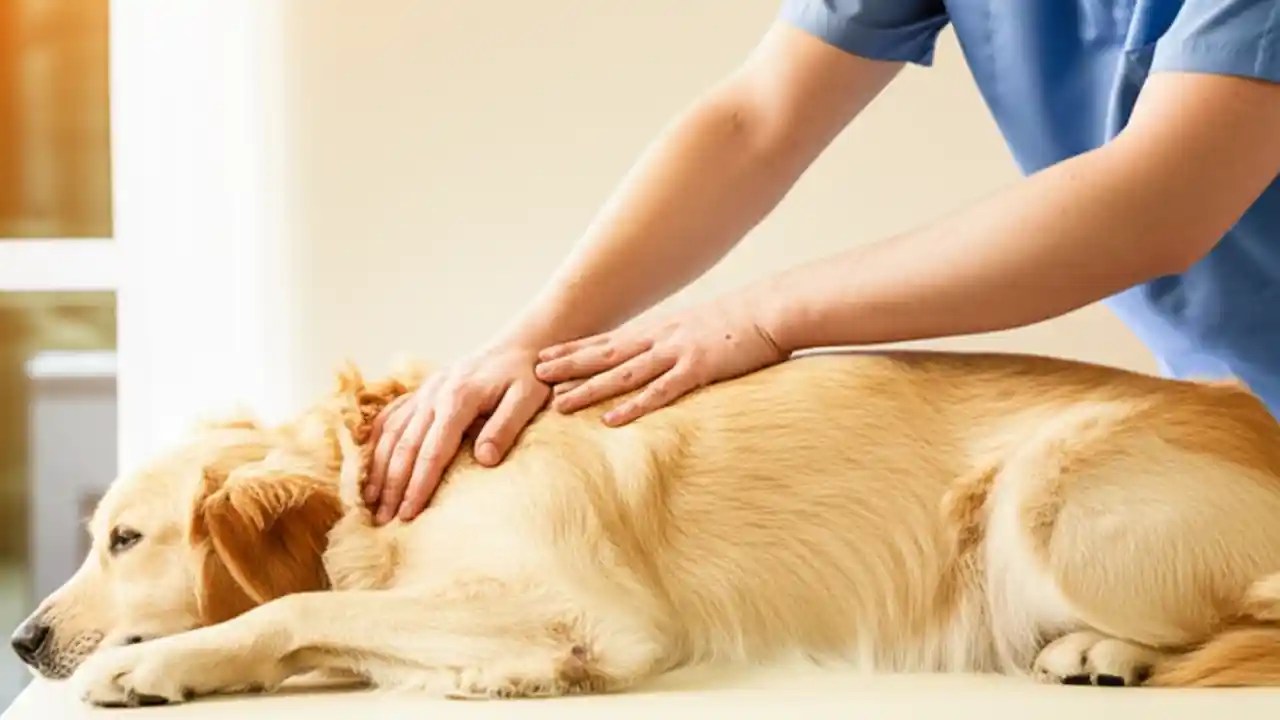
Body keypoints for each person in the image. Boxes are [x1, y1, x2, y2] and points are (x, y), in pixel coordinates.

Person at [364, 0, 1280, 525]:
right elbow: (758, 120)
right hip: (1241, 427)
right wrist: (532, 338)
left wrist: (765, 316)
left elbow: (1162, 199)